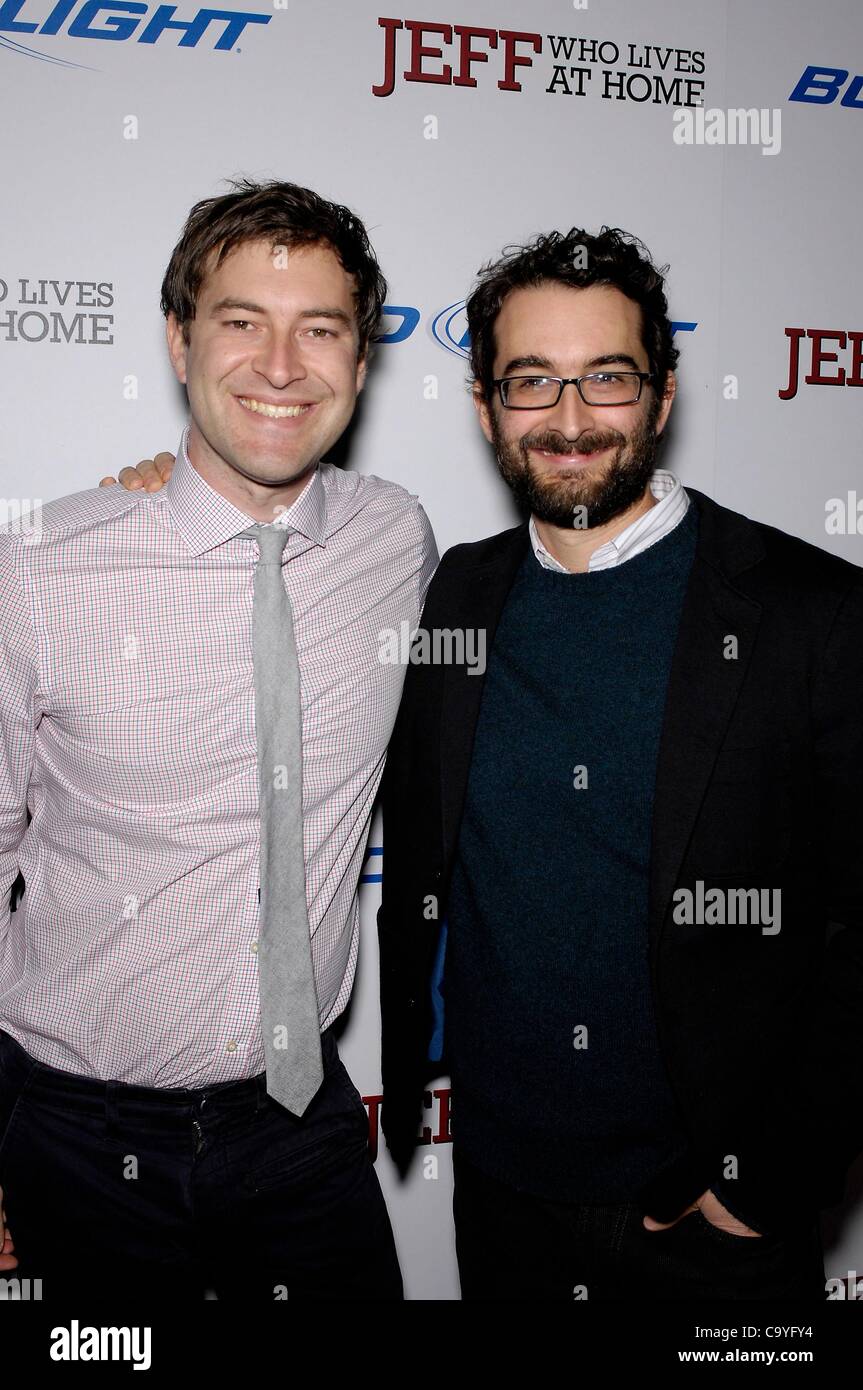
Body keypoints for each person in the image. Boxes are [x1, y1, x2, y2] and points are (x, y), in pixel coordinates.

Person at [376, 226, 863, 1300]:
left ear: (662, 394)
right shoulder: (457, 590)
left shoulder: (809, 615)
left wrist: (764, 1182)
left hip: (712, 1215)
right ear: (483, 408)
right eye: (529, 381)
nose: (566, 418)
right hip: (502, 1192)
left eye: (605, 377)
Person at [0, 178, 437, 1301]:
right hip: (76, 1135)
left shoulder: (395, 539)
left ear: (361, 354)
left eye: (320, 329)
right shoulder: (40, 568)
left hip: (301, 1124)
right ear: (179, 338)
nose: (280, 365)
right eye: (241, 321)